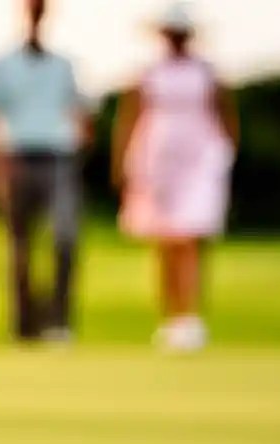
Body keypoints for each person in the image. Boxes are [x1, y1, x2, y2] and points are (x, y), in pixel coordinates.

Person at [112, 2, 239, 353]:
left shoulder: (207, 73)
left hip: (199, 159)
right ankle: (170, 318)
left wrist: (225, 156)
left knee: (190, 237)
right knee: (165, 241)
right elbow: (130, 118)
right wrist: (122, 163)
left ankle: (191, 318)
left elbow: (225, 116)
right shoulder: (147, 73)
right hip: (156, 162)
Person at [0, 0, 91, 345]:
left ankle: (58, 321)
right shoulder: (2, 64)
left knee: (64, 238)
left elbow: (80, 112)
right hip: (16, 157)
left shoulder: (64, 65)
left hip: (58, 158)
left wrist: (81, 147)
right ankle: (25, 326)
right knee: (19, 248)